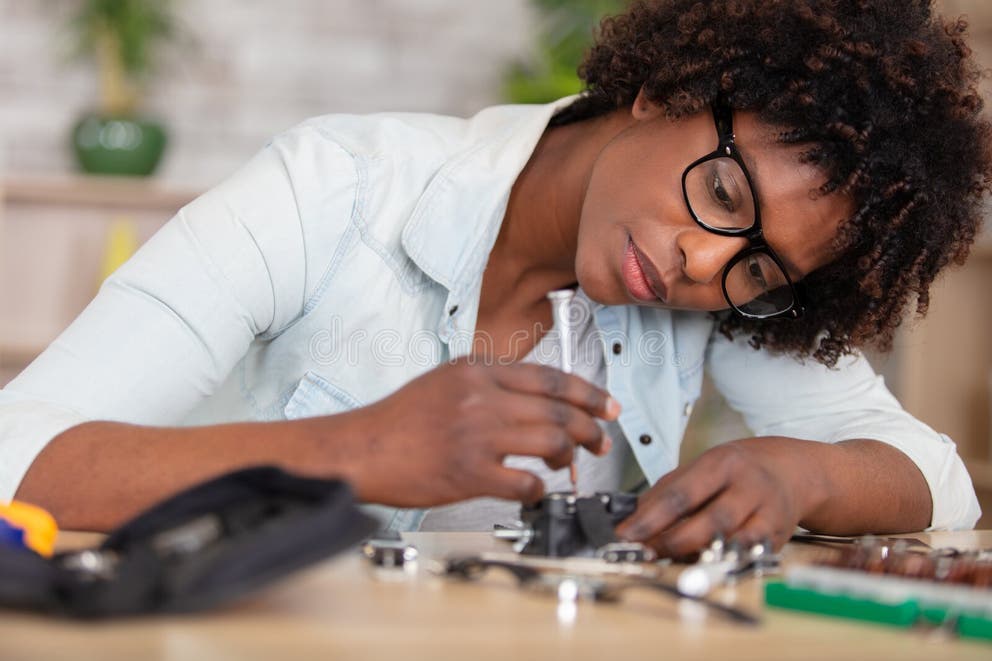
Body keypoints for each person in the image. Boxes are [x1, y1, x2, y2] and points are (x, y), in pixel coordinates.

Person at [2, 0, 990, 556]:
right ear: (664, 93)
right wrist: (353, 448)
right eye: (725, 193)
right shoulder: (328, 190)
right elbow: (16, 453)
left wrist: (797, 471)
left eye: (758, 264)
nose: (704, 260)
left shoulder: (707, 282)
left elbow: (938, 480)